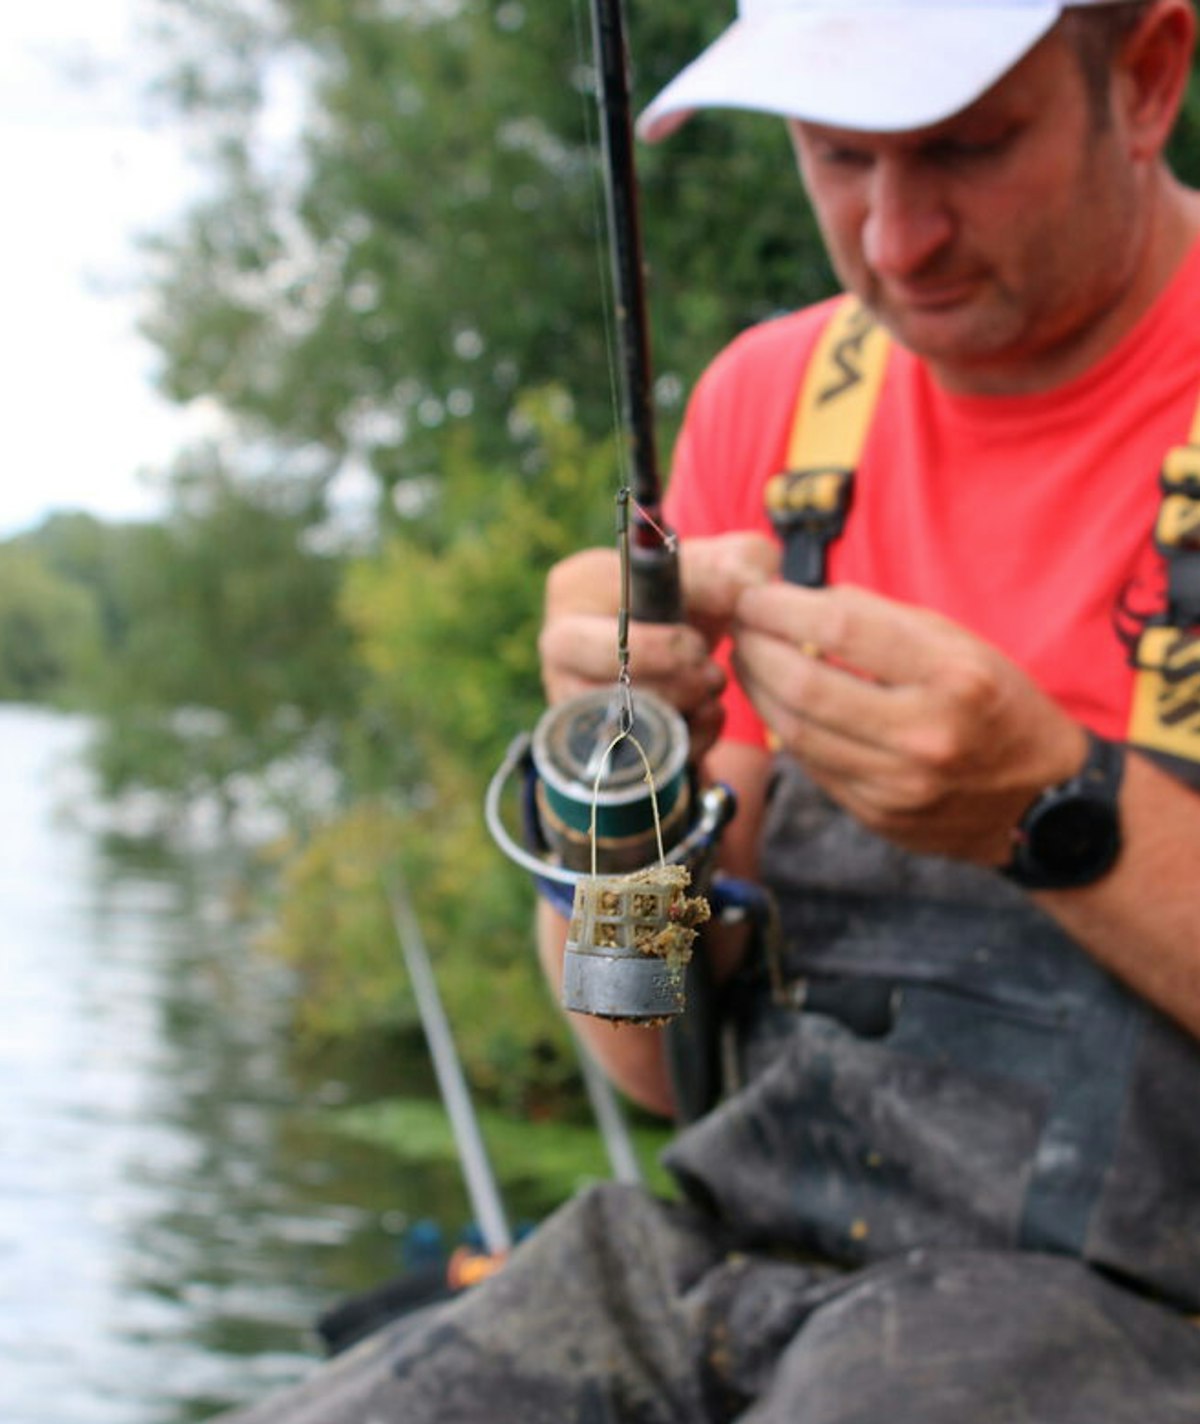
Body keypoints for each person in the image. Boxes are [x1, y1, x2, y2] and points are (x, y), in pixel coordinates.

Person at [218, 2, 1200, 1419]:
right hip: (736, 1281)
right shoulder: (780, 404)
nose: (896, 241)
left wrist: (1056, 817)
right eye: (839, 155)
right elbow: (649, 1057)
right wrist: (616, 808)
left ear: (1149, 76)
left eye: (971, 149)